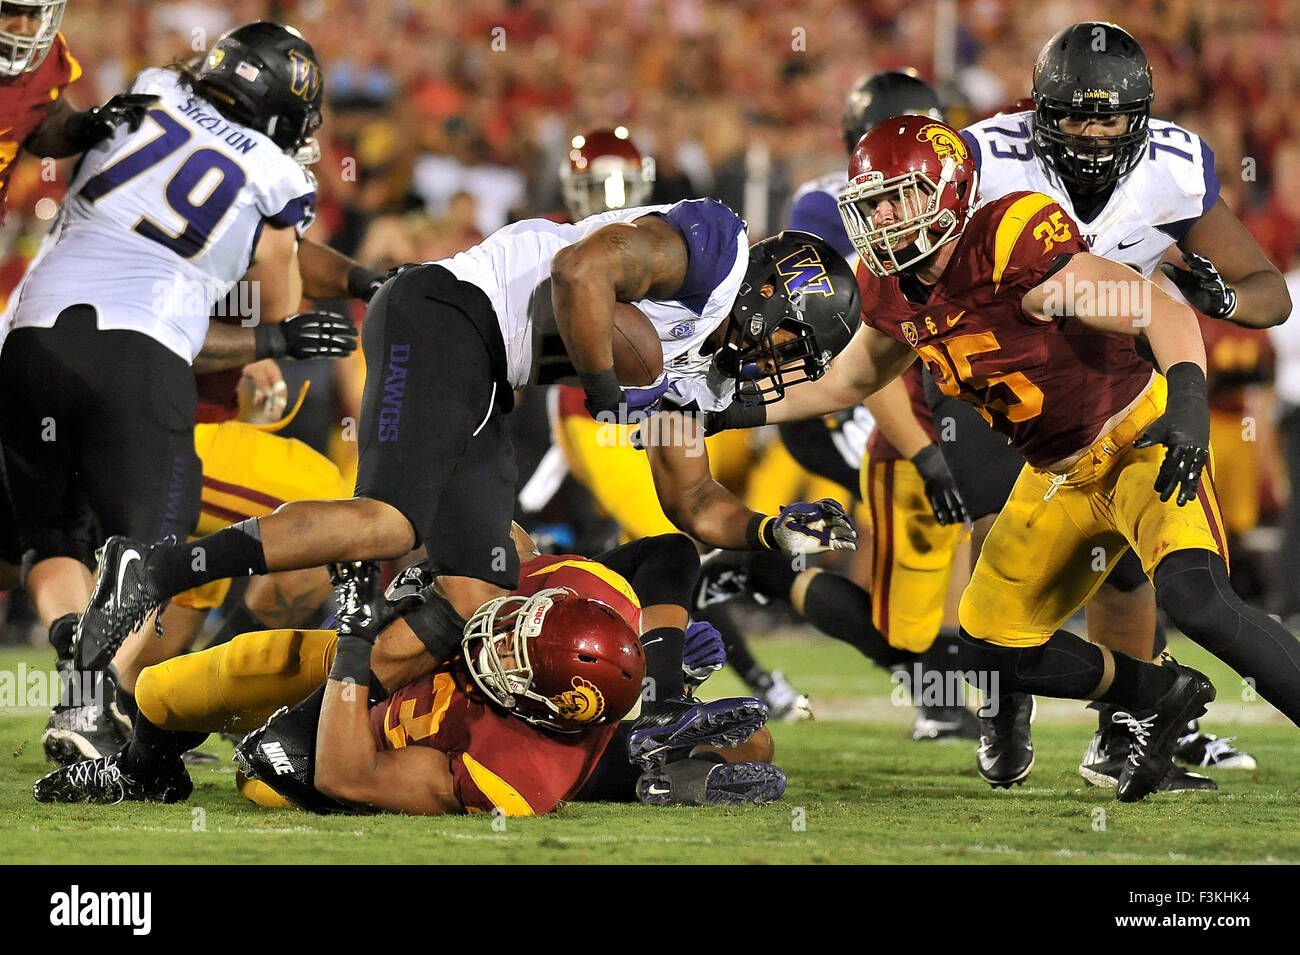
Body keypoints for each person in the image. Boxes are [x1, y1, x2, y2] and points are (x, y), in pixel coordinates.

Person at [74, 189, 861, 753]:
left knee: (472, 607)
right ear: (775, 294)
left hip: (489, 370)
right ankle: (156, 568)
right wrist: (613, 393)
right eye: (792, 344)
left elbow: (691, 502)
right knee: (389, 520)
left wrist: (767, 529)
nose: (782, 367)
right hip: (448, 313)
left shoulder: (699, 366)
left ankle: (262, 735)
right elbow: (581, 272)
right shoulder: (713, 250)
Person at [707, 113, 1300, 802]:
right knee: (989, 648)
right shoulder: (891, 287)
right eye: (874, 200)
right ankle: (1162, 692)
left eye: (900, 196)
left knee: (1195, 597)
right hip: (1056, 477)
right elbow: (849, 378)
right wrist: (730, 407)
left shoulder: (1010, 243)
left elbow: (1156, 310)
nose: (884, 215)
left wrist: (1190, 407)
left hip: (1140, 440)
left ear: (950, 190)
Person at [937, 21, 1287, 786]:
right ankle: (1003, 706)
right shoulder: (984, 157)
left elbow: (1271, 294)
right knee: (997, 536)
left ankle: (1128, 723)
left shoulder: (1171, 167)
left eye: (1110, 116)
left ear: (1141, 115)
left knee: (1127, 564)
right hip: (996, 381)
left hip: (1112, 390)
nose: (1092, 133)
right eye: (1072, 114)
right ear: (1039, 109)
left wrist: (1219, 295)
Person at [36, 529, 782, 813]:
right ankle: (145, 768)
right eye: (519, 621)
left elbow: (345, 774)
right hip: (396, 651)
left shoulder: (517, 772)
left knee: (269, 775)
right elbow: (671, 553)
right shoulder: (583, 595)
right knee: (170, 690)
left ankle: (150, 761)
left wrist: (359, 645)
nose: (496, 635)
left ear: (536, 710)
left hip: (357, 716)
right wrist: (662, 669)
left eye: (512, 652)